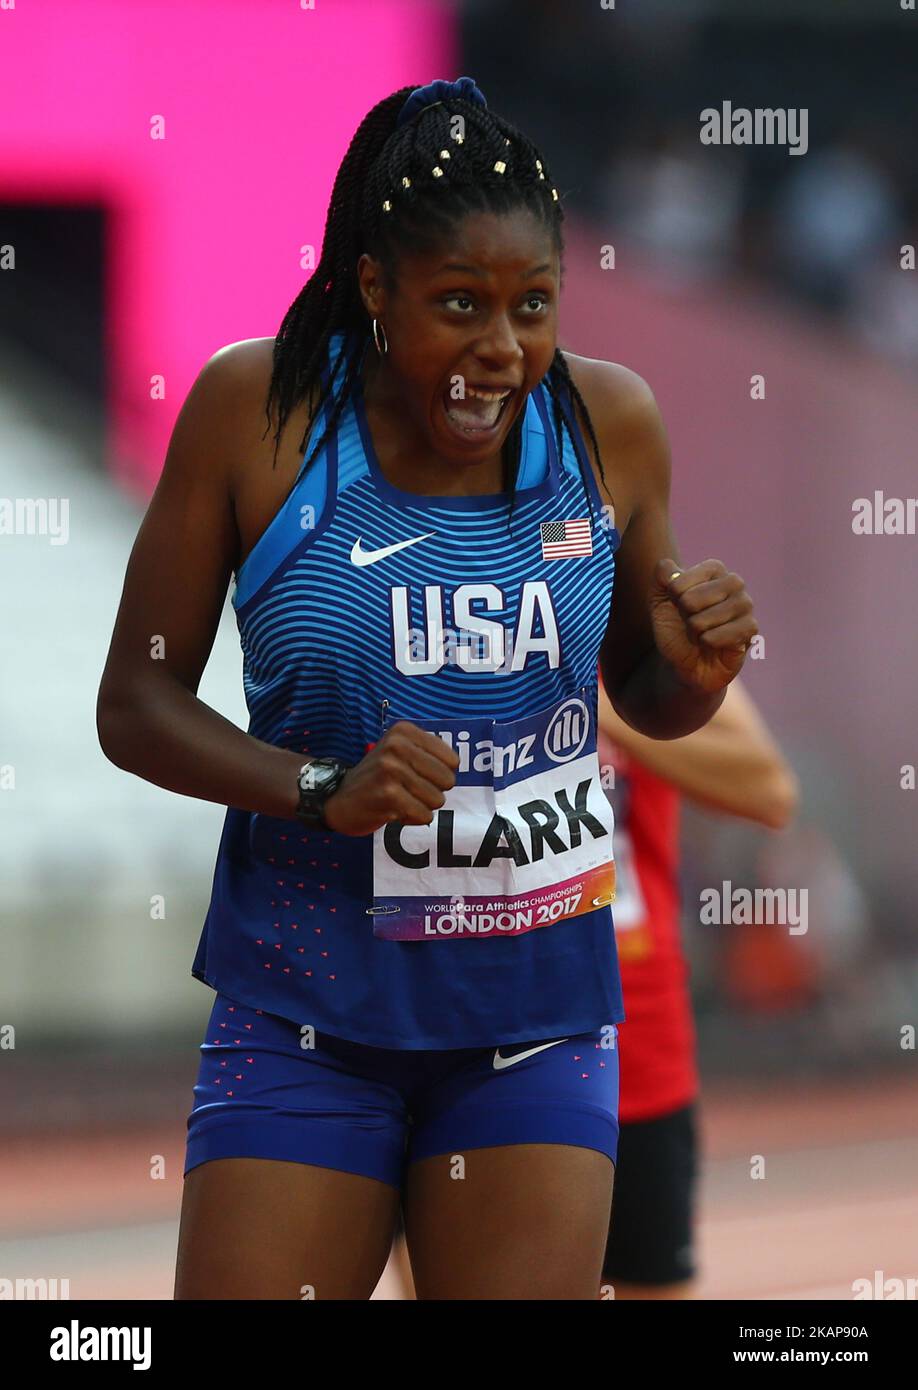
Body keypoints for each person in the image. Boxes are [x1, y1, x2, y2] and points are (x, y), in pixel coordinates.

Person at [96, 76, 758, 1301]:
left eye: (532, 307)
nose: (500, 351)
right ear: (372, 291)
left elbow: (648, 696)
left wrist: (697, 676)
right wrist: (321, 788)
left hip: (537, 1020)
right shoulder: (262, 416)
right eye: (460, 306)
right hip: (304, 1011)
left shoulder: (612, 427)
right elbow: (133, 705)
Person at [597, 676, 799, 1300]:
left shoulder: (627, 619)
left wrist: (586, 692)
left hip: (636, 1034)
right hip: (465, 1028)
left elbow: (770, 789)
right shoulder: (403, 611)